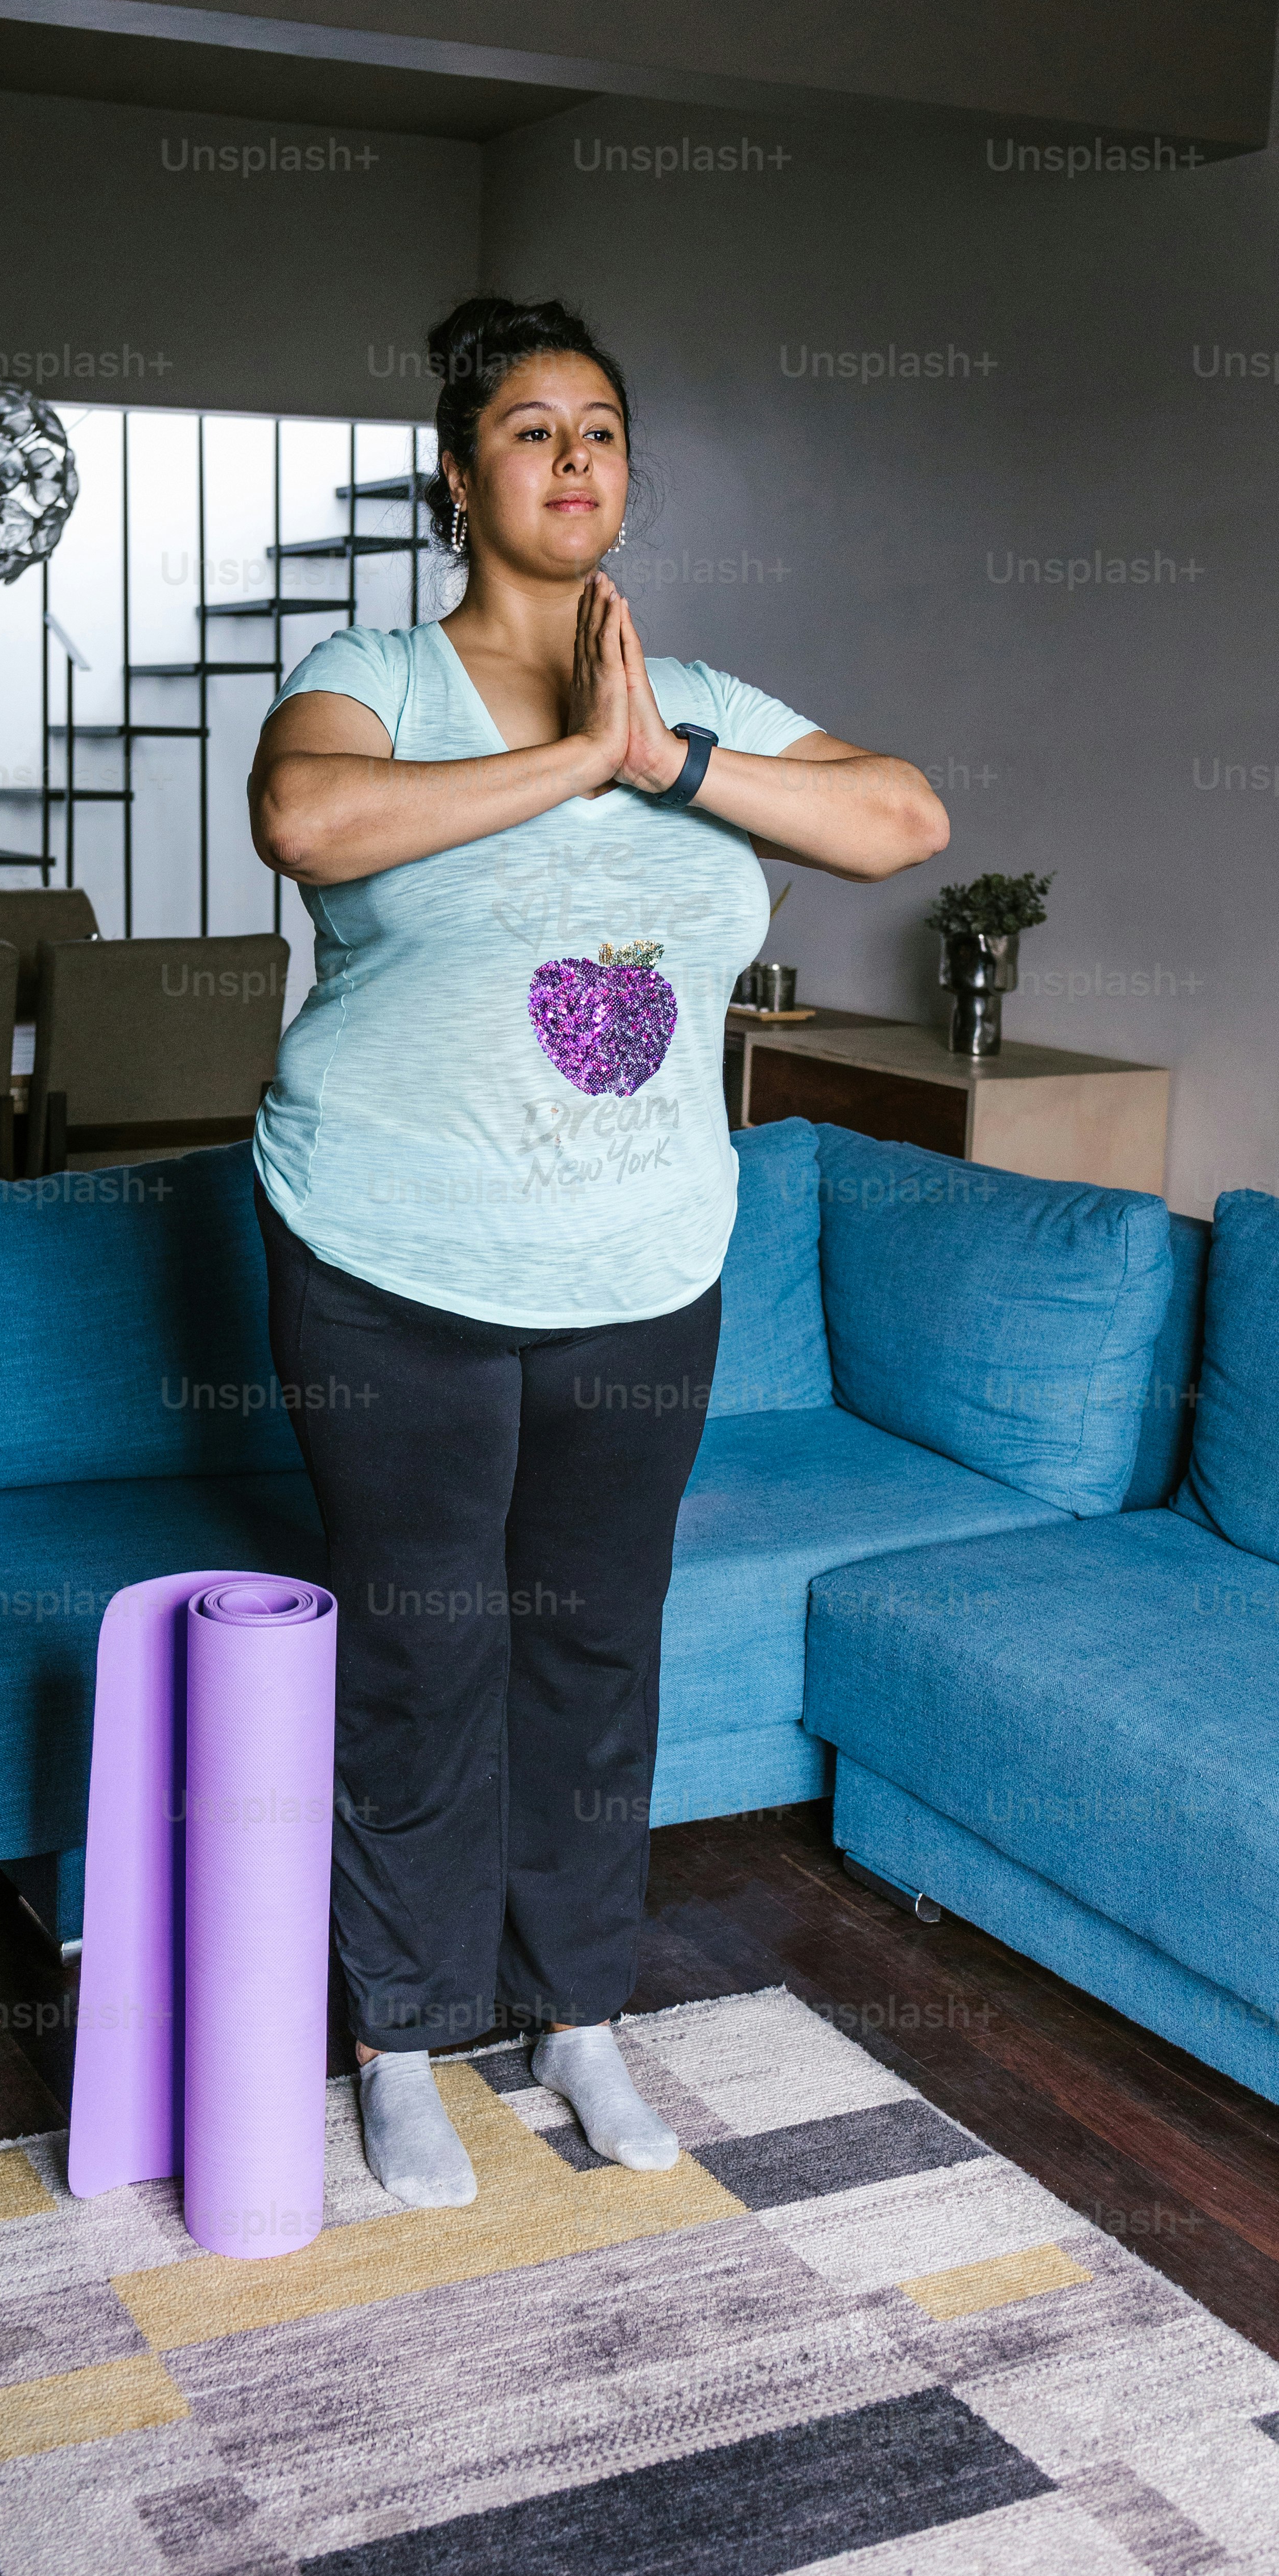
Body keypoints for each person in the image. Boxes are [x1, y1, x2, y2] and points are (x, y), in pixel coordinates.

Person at [246, 294, 948, 2209]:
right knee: (421, 1649)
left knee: (592, 1647)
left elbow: (902, 815)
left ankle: (577, 2017)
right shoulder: (371, 674)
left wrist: (671, 758)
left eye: (604, 430)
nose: (574, 459)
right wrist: (574, 759)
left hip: (640, 1263)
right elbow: (308, 819)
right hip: (389, 1250)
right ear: (456, 471)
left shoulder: (700, 700)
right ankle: (403, 2033)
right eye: (531, 428)